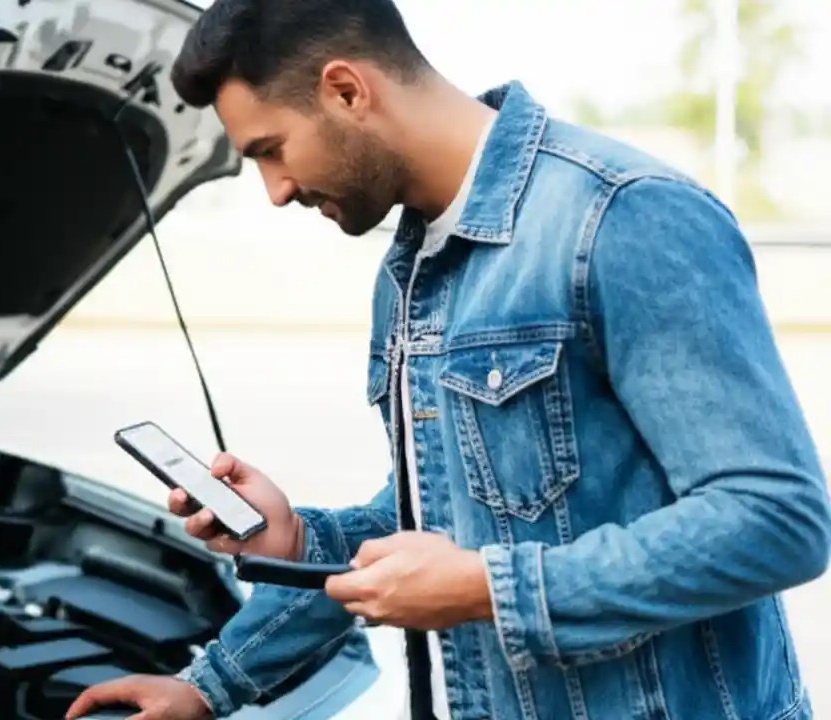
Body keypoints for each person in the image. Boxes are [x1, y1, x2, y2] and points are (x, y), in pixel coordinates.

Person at [67, 0, 831, 717]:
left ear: (345, 90)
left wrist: (487, 590)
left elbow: (776, 520)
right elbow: (442, 520)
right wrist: (279, 568)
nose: (276, 189)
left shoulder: (622, 216)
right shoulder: (411, 267)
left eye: (270, 150)